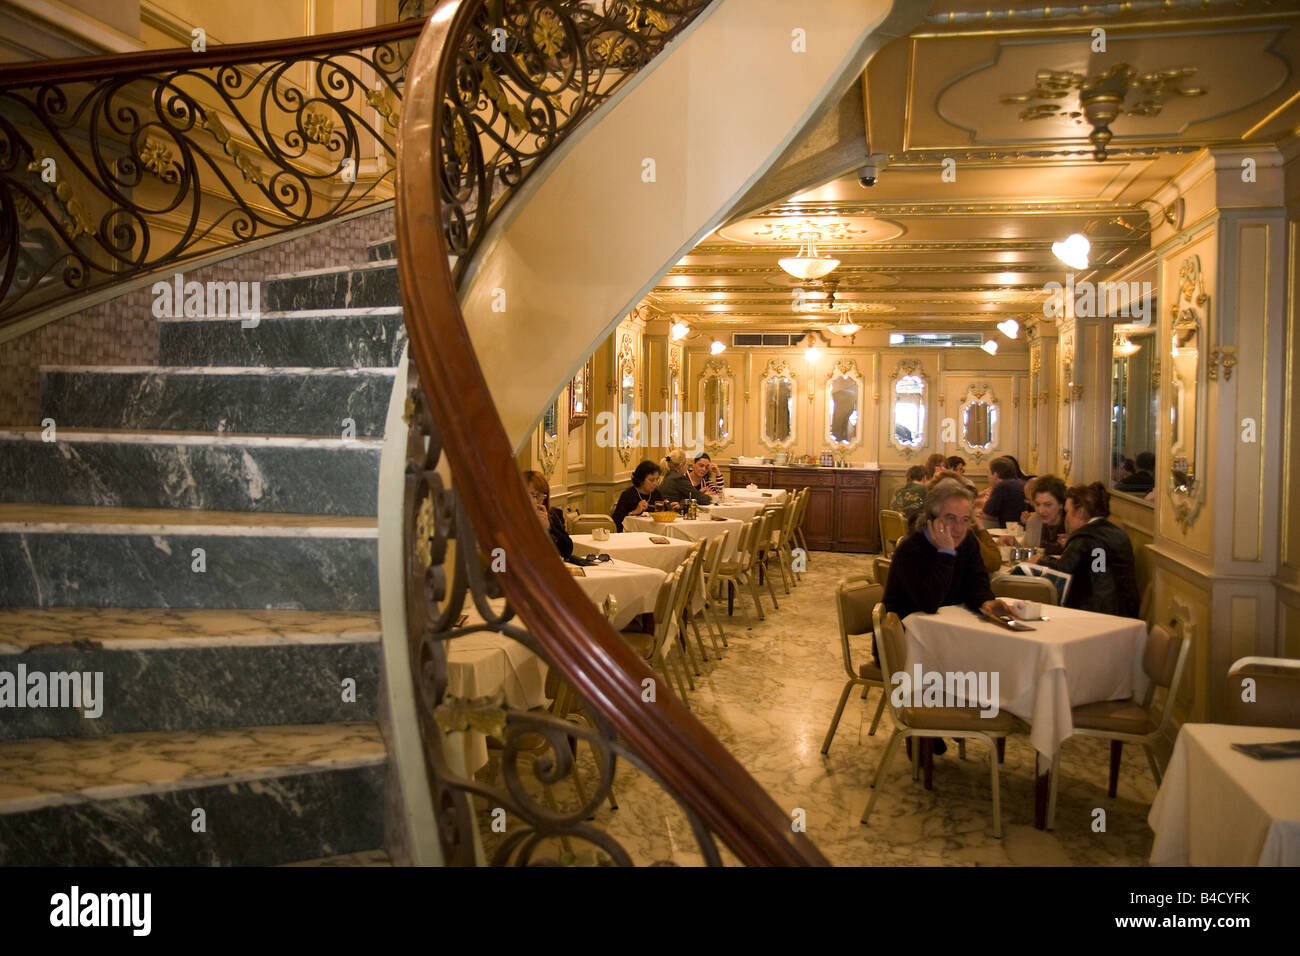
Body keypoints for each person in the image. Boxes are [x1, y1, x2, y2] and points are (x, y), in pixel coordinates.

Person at [882, 478, 1014, 624]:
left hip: (950, 627)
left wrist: (985, 602)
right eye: (950, 518)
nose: (958, 528)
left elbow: (977, 583)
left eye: (965, 520)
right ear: (932, 518)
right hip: (908, 633)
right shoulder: (911, 549)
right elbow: (929, 603)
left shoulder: (967, 540)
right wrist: (946, 553)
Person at [1031, 482, 1140, 618]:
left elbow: (1064, 568)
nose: (1067, 518)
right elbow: (1099, 567)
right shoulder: (1116, 532)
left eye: (1068, 511)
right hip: (1127, 607)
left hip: (1102, 612)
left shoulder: (1087, 538)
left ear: (1081, 512)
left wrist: (1040, 560)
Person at [1002, 474, 1068, 556]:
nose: (1041, 510)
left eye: (1048, 505)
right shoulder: (1034, 521)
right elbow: (1027, 552)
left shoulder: (1070, 524)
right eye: (1037, 504)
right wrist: (1012, 543)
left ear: (1061, 504)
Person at [524, 470, 572, 559]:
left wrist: (549, 529)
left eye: (539, 496)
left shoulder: (553, 515)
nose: (535, 501)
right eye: (531, 495)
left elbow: (567, 551)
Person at [611, 460, 670, 531]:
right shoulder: (628, 495)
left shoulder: (656, 493)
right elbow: (616, 521)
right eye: (651, 480)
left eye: (657, 479)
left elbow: (664, 514)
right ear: (641, 480)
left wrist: (669, 507)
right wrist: (634, 512)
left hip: (654, 531)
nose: (655, 483)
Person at [981, 456, 1026, 526]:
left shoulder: (1002, 486)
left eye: (988, 472)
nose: (988, 476)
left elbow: (987, 515)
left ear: (995, 475)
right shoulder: (1022, 483)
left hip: (1010, 530)